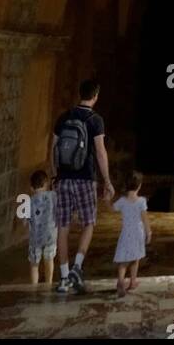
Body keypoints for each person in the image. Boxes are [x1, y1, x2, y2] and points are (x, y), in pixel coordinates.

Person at [51, 77, 113, 294]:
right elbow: (100, 152)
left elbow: (54, 148)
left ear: (80, 94)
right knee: (89, 222)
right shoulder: (95, 120)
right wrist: (107, 180)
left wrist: (55, 175)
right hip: (85, 179)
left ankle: (64, 277)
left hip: (63, 179)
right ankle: (78, 265)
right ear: (95, 96)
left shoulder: (64, 117)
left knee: (63, 228)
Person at [112, 171, 151, 296]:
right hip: (137, 234)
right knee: (135, 258)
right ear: (139, 186)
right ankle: (133, 281)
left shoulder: (122, 201)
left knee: (124, 260)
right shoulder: (141, 201)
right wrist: (148, 232)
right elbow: (144, 218)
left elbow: (113, 208)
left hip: (125, 233)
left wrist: (107, 199)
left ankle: (121, 280)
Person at [26, 169, 56, 286]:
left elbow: (26, 221)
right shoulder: (53, 196)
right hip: (50, 236)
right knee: (49, 260)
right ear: (47, 184)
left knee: (34, 264)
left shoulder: (29, 201)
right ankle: (48, 284)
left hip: (35, 239)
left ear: (31, 188)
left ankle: (34, 287)